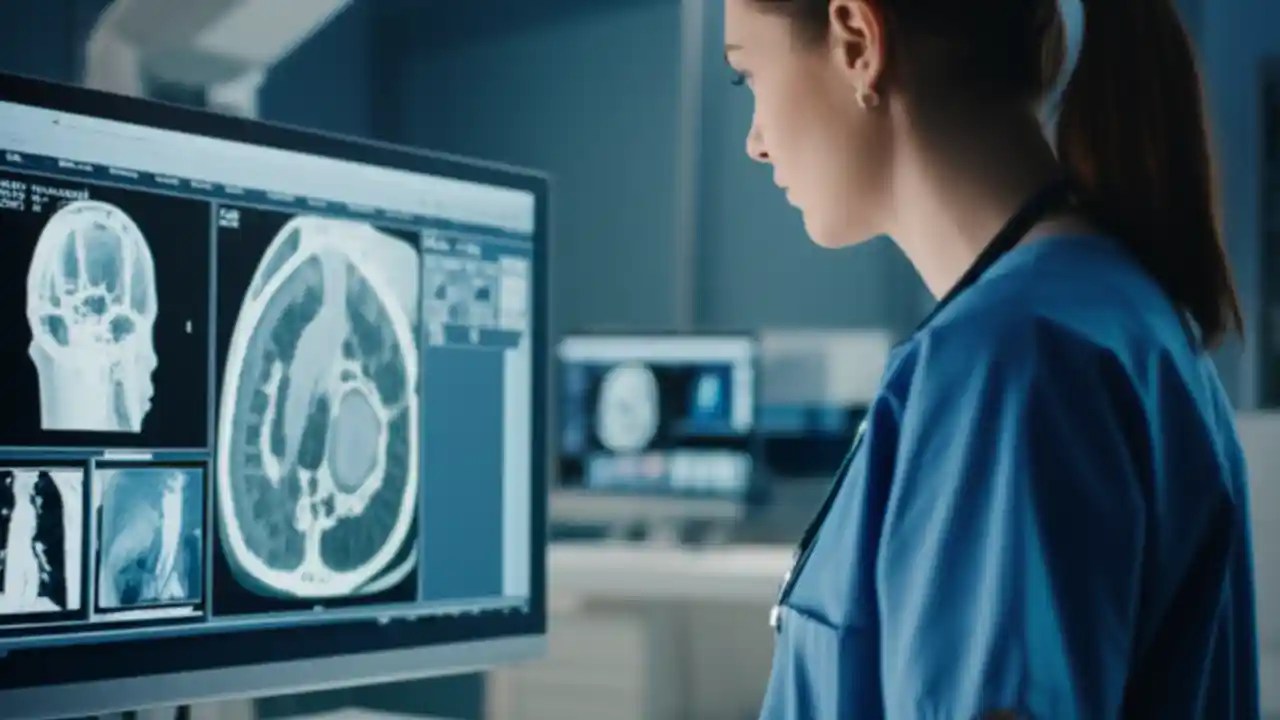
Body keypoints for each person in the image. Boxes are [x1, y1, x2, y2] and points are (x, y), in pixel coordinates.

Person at [722, 0, 1261, 717]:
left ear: (857, 40)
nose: (754, 141)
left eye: (747, 75)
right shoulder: (1102, 313)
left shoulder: (1012, 364)